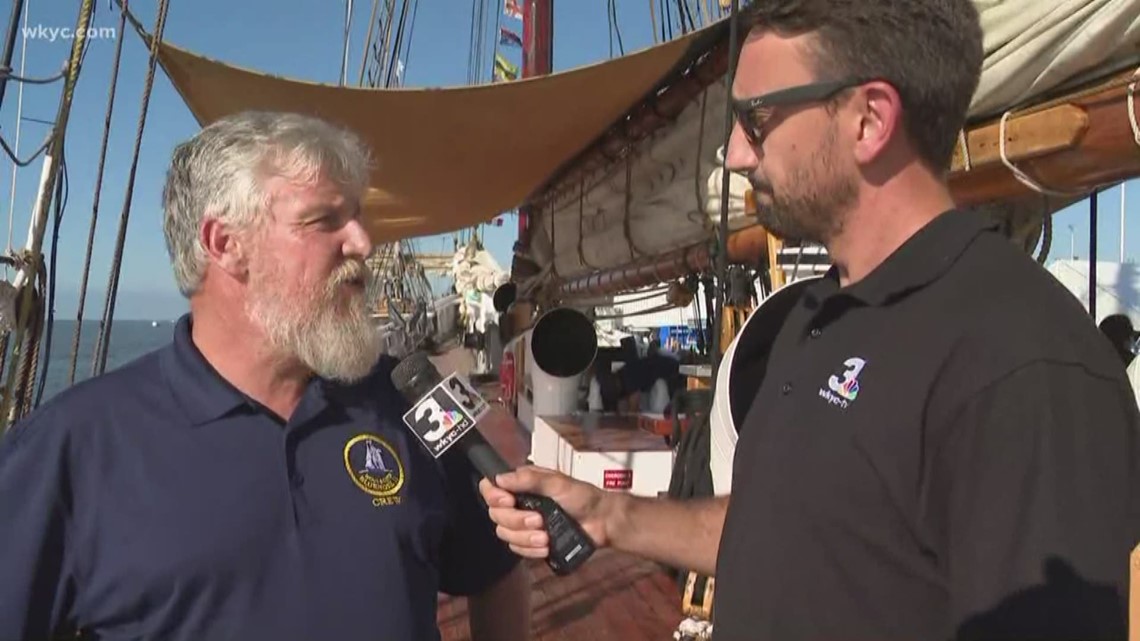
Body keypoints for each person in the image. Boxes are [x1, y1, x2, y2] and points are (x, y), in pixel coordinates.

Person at [479, 1, 1140, 639]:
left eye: (756, 119)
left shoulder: (1022, 367)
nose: (735, 154)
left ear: (868, 120)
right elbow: (784, 526)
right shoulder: (815, 314)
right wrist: (610, 513)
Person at [0, 111, 529, 641]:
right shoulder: (71, 447)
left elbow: (498, 566)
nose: (363, 243)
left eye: (358, 217)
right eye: (324, 220)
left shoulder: (413, 400)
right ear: (226, 244)